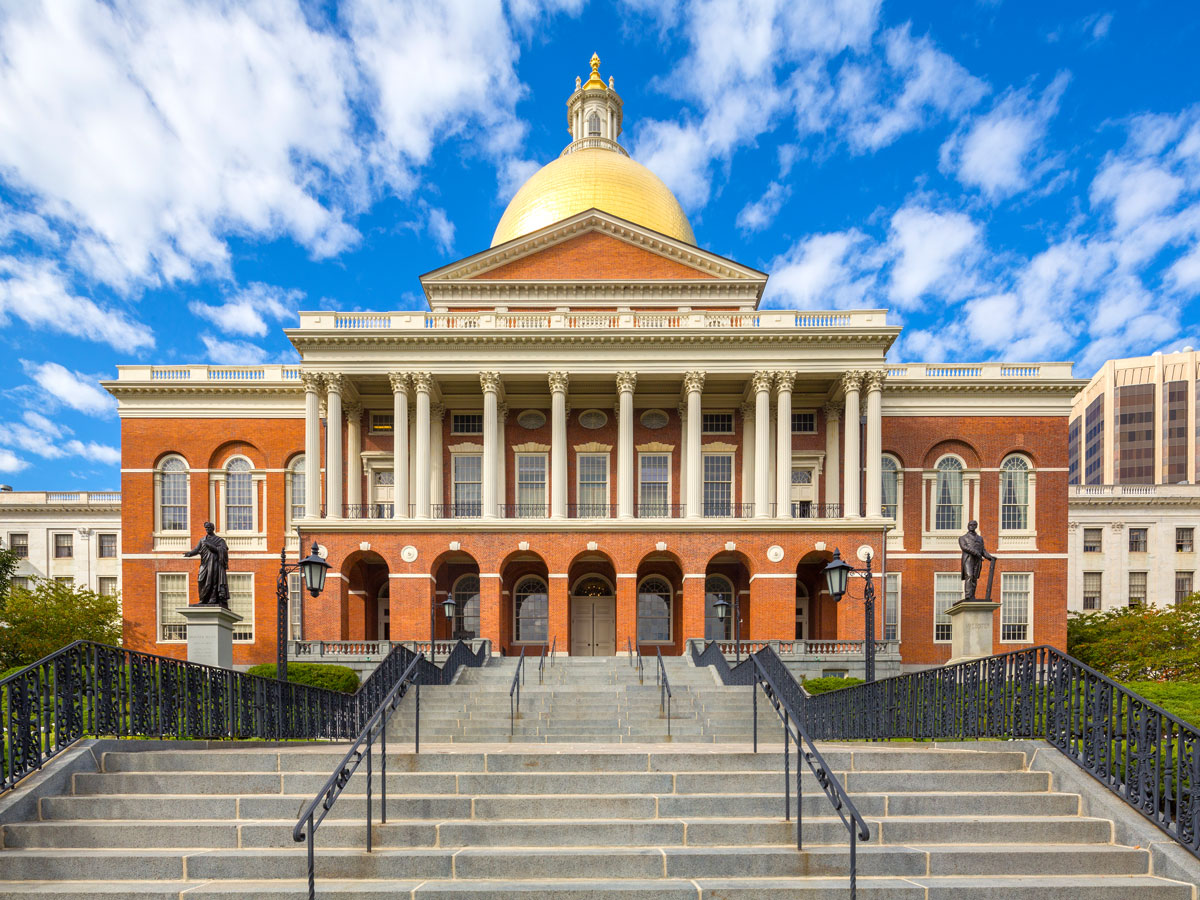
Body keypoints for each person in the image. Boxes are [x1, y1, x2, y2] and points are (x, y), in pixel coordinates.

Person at [183, 521, 230, 607]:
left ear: (213, 529)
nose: (207, 529)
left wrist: (211, 547)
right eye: (206, 528)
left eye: (209, 528)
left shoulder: (219, 540)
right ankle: (203, 599)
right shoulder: (202, 540)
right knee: (201, 580)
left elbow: (224, 551)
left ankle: (213, 599)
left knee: (213, 581)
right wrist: (189, 553)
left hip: (215, 563)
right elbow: (197, 550)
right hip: (204, 564)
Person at [959, 519, 995, 602]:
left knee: (974, 578)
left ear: (976, 526)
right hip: (968, 559)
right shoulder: (963, 538)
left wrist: (990, 557)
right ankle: (968, 595)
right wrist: (975, 552)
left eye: (973, 525)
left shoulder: (980, 538)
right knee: (969, 575)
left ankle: (972, 595)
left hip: (977, 560)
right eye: (970, 525)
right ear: (968, 526)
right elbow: (964, 547)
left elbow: (983, 550)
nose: (971, 526)